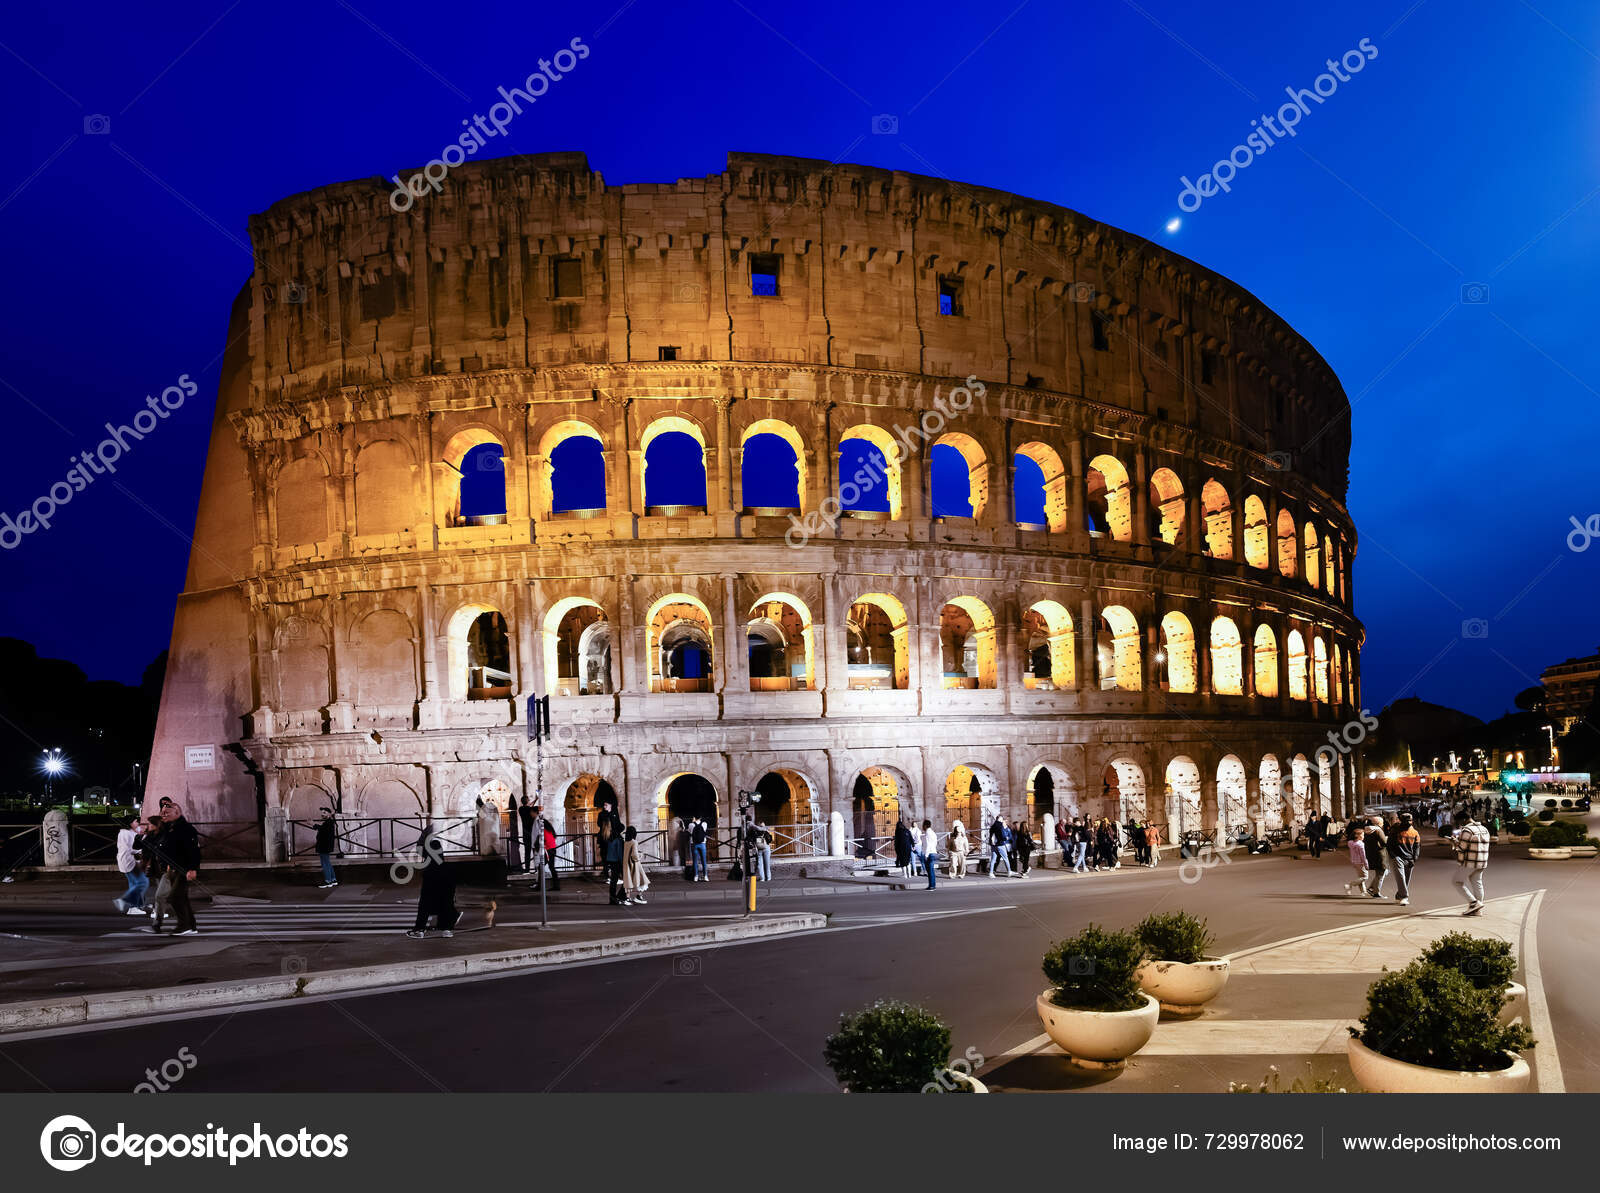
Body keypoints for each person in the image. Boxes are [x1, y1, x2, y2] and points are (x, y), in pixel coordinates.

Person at [156, 801, 201, 936]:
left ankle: (184, 926)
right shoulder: (170, 827)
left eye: (166, 813)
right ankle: (191, 926)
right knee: (182, 898)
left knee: (175, 897)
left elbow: (194, 851)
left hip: (184, 869)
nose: (163, 815)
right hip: (174, 869)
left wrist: (193, 869)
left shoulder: (185, 829)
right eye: (162, 813)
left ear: (177, 813)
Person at [405, 826, 459, 938]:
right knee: (446, 904)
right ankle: (446, 929)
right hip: (445, 880)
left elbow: (419, 848)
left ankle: (419, 930)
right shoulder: (446, 868)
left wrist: (424, 835)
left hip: (431, 879)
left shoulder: (429, 870)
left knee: (424, 905)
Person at [1452, 813, 1491, 916]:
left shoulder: (1467, 830)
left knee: (1456, 881)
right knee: (1477, 883)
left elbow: (1461, 848)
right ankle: (1478, 911)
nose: (1459, 824)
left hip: (1470, 862)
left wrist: (1454, 843)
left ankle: (1473, 903)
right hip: (1482, 861)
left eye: (1459, 821)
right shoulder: (1484, 829)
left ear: (1464, 819)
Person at [112, 816, 148, 916]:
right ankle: (130, 904)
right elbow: (129, 849)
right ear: (130, 823)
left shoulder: (130, 831)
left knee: (134, 883)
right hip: (128, 861)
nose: (138, 824)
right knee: (141, 882)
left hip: (130, 860)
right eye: (136, 822)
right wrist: (141, 850)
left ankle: (138, 905)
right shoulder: (125, 833)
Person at [140, 815, 170, 931]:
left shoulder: (165, 835)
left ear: (157, 825)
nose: (148, 826)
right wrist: (143, 836)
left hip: (166, 869)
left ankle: (157, 924)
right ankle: (157, 924)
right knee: (161, 896)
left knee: (160, 896)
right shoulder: (151, 836)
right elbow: (141, 848)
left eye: (151, 824)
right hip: (157, 869)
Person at [1388, 812, 1420, 906]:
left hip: (1409, 858)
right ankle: (1404, 897)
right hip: (1398, 857)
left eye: (1410, 820)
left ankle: (1399, 896)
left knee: (1406, 879)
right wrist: (1393, 856)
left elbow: (1417, 847)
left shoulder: (1415, 833)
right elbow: (1389, 843)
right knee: (1401, 877)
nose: (1409, 822)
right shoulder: (1395, 830)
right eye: (1407, 820)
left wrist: (1414, 858)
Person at [621, 825, 650, 905]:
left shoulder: (625, 842)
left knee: (628, 881)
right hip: (634, 865)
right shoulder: (634, 842)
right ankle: (639, 896)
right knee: (642, 880)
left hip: (626, 864)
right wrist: (640, 855)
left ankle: (627, 898)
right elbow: (634, 856)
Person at [313, 807, 339, 889]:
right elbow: (322, 829)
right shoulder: (329, 822)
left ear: (329, 814)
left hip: (324, 846)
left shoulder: (329, 822)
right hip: (326, 845)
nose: (322, 814)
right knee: (327, 862)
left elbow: (323, 830)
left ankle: (328, 881)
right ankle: (333, 880)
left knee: (325, 863)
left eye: (324, 812)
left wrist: (313, 824)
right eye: (322, 812)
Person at [1362, 816, 1388, 899]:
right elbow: (1384, 843)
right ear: (1378, 823)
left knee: (1380, 872)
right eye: (1382, 822)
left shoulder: (1366, 831)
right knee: (1381, 872)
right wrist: (1387, 839)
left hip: (1371, 854)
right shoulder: (1378, 830)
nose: (1383, 824)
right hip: (1380, 854)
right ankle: (1376, 892)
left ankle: (1371, 888)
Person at [1344, 824, 1369, 896]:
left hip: (1354, 861)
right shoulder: (1361, 844)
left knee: (1360, 877)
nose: (1363, 836)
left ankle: (1363, 891)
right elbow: (1363, 856)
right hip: (1360, 862)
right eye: (1362, 835)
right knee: (1365, 877)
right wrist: (1366, 864)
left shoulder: (1350, 843)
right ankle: (1349, 885)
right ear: (1356, 835)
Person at [605, 828, 626, 904]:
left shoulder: (610, 840)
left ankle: (612, 899)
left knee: (613, 881)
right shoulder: (618, 840)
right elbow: (620, 853)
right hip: (618, 862)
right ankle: (621, 896)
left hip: (611, 861)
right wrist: (623, 863)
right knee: (626, 880)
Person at [541, 811, 560, 889]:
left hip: (548, 850)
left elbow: (544, 840)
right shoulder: (549, 829)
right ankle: (556, 885)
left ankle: (541, 885)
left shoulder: (544, 830)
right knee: (551, 867)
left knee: (545, 867)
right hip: (552, 849)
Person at [518, 797, 537, 872]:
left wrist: (535, 800)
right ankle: (536, 868)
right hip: (532, 833)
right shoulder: (530, 810)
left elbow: (529, 806)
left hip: (525, 833)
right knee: (535, 851)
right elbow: (531, 807)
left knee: (527, 852)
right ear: (528, 801)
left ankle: (527, 869)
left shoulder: (521, 809)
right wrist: (536, 799)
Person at [921, 819, 938, 890]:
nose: (922, 827)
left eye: (923, 825)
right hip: (933, 852)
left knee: (930, 870)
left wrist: (926, 854)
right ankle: (932, 885)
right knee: (931, 870)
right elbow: (935, 843)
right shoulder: (933, 832)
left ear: (925, 825)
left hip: (929, 853)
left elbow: (928, 844)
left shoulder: (928, 833)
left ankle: (932, 886)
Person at [690, 815, 709, 881]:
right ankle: (705, 876)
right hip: (702, 844)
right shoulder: (704, 824)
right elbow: (705, 831)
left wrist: (693, 822)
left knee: (695, 861)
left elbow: (690, 832)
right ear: (700, 817)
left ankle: (696, 876)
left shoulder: (691, 824)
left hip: (694, 844)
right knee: (704, 861)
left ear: (694, 817)